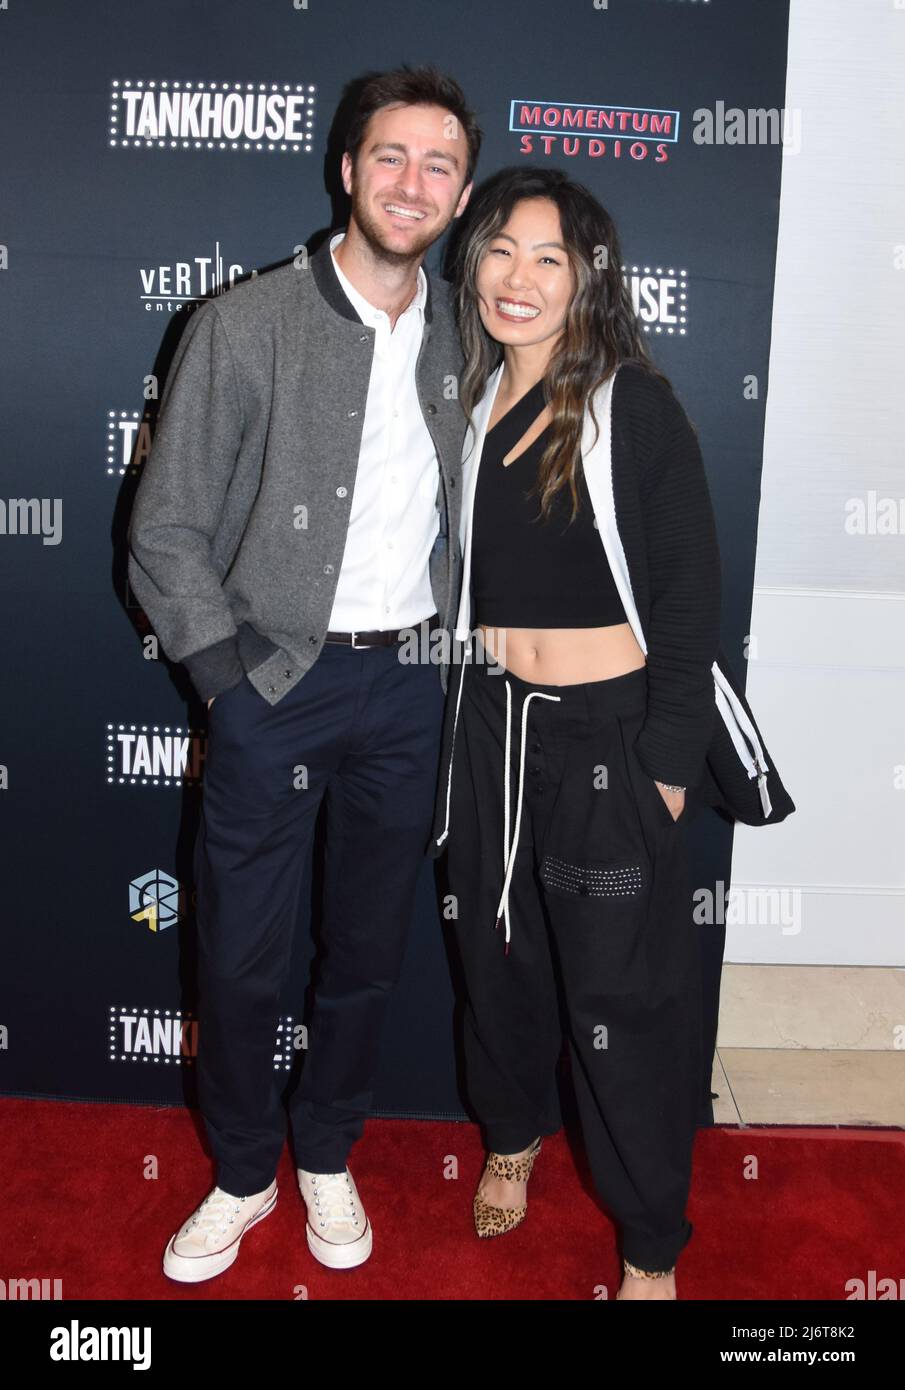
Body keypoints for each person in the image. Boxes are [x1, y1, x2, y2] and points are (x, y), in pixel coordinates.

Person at [127, 65, 480, 1283]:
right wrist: (224, 679)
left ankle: (324, 1152)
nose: (411, 182)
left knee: (368, 946)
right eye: (391, 156)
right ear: (346, 168)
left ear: (460, 190)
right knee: (234, 952)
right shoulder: (245, 321)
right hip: (272, 683)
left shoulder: (475, 334)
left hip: (407, 692)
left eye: (438, 164)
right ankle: (240, 1171)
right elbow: (163, 526)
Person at [427, 166, 723, 1300]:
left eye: (547, 257)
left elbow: (690, 592)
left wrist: (659, 763)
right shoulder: (466, 402)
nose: (517, 276)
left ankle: (649, 1241)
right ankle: (512, 1132)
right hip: (490, 726)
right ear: (473, 263)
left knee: (621, 998)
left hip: (609, 738)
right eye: (499, 249)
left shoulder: (630, 402)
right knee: (496, 967)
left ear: (586, 277)